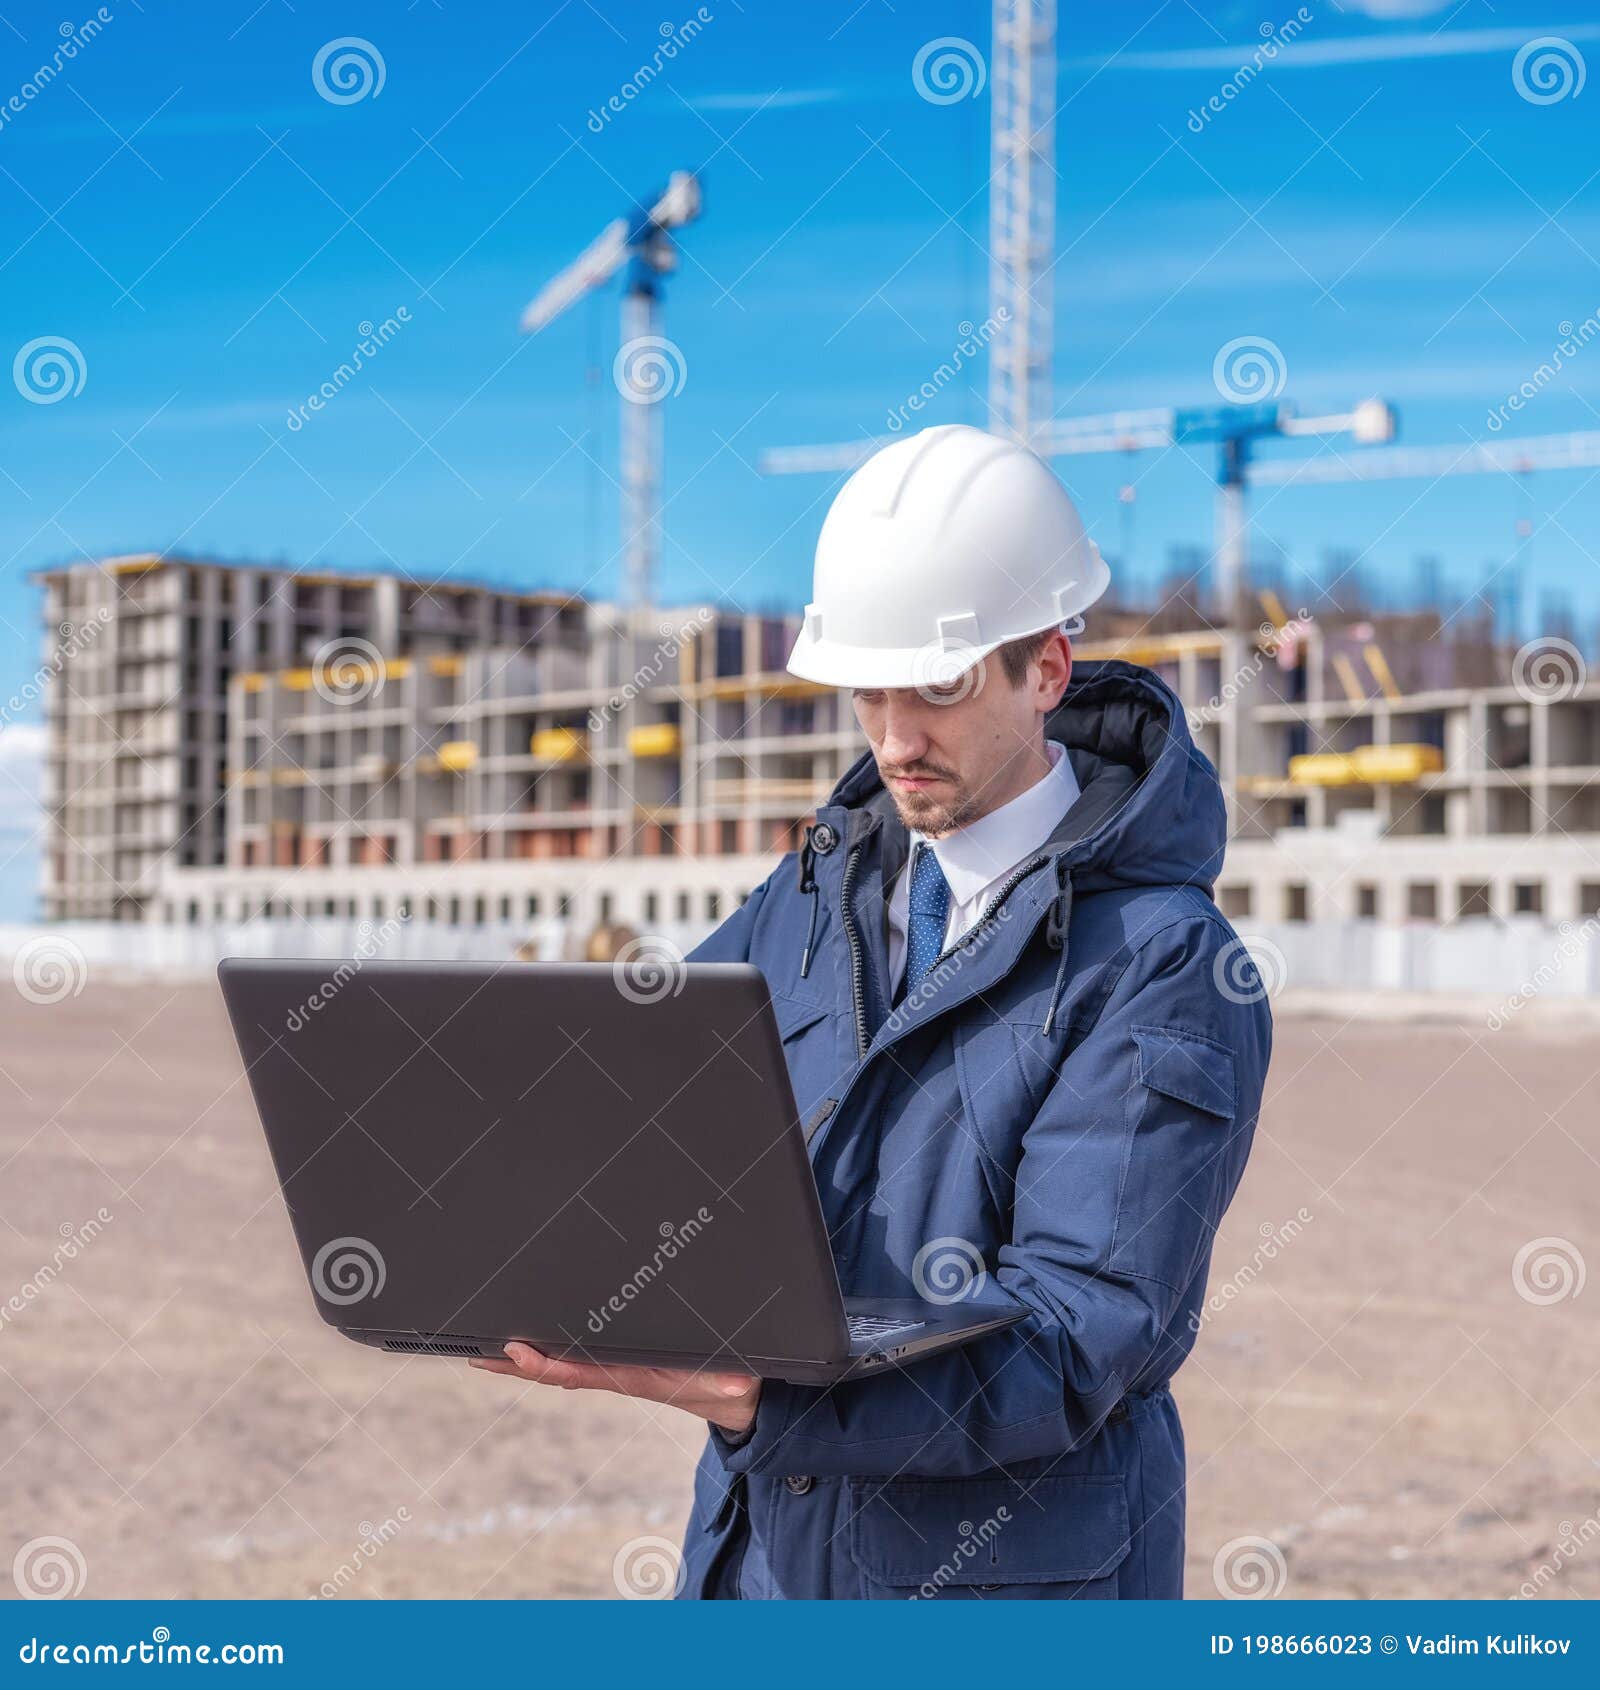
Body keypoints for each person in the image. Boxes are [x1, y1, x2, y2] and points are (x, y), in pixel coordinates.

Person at [472, 423, 1273, 1599]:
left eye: (939, 688)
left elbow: (1080, 1335)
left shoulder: (1162, 962)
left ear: (1046, 667)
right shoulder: (807, 901)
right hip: (764, 1567)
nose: (895, 738)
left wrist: (768, 1395)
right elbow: (632, 1111)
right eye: (868, 689)